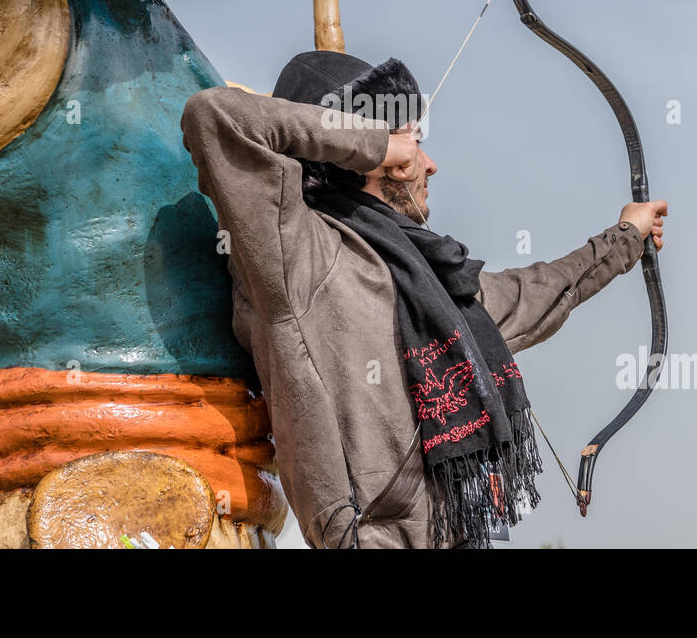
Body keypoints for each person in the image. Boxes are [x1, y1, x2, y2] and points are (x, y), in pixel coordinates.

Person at [180, 50, 667, 548]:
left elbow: (536, 293)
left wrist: (627, 234)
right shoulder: (296, 253)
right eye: (414, 141)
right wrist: (377, 142)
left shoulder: (429, 282)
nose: (428, 163)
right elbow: (213, 117)